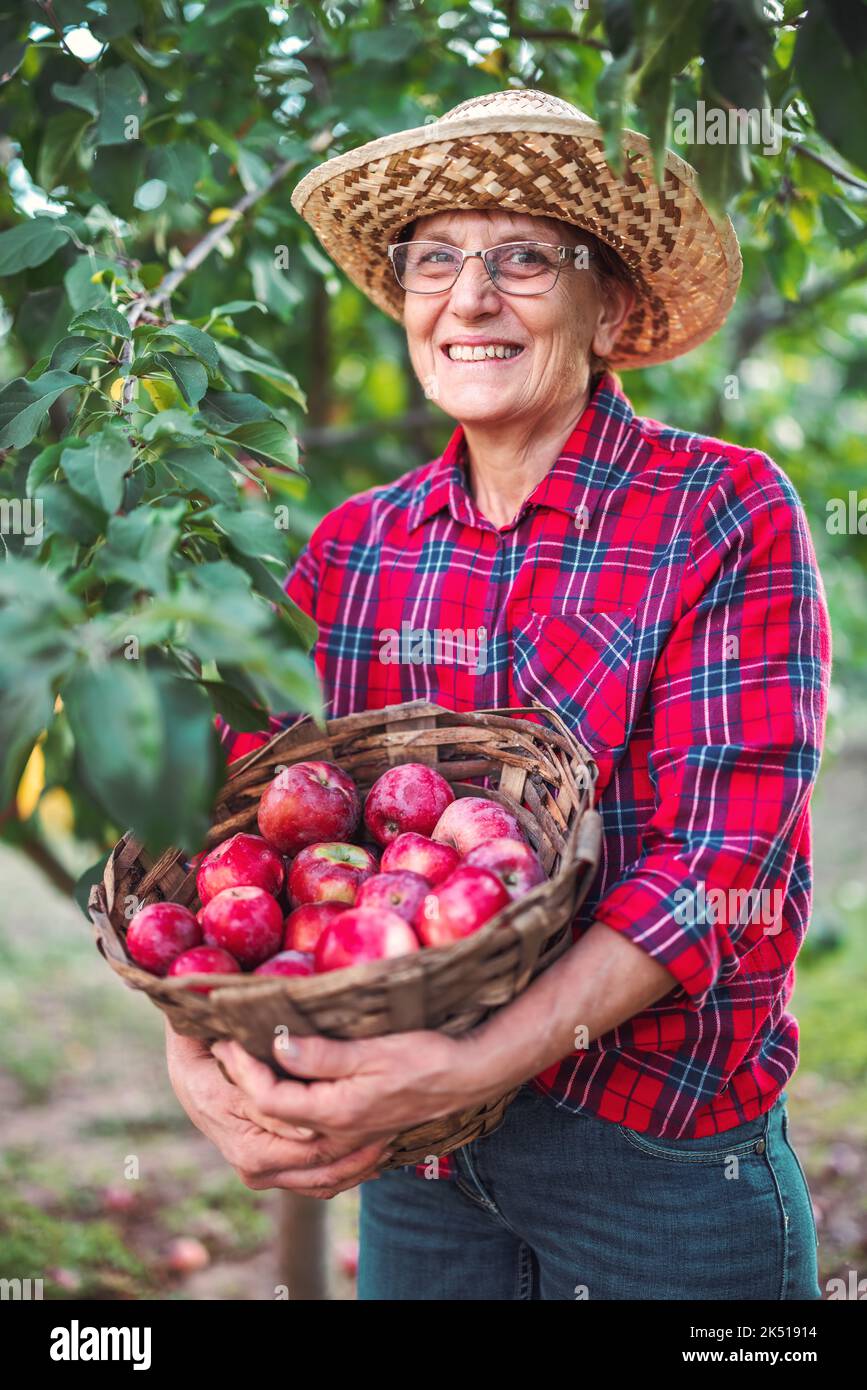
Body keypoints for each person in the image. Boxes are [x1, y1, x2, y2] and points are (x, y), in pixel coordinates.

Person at [165, 90, 830, 1300]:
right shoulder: (353, 549)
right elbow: (216, 827)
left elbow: (721, 867)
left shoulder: (722, 511)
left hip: (651, 1154)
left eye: (523, 257)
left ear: (612, 304)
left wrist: (471, 1068)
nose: (469, 297)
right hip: (410, 1160)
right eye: (435, 261)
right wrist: (194, 1046)